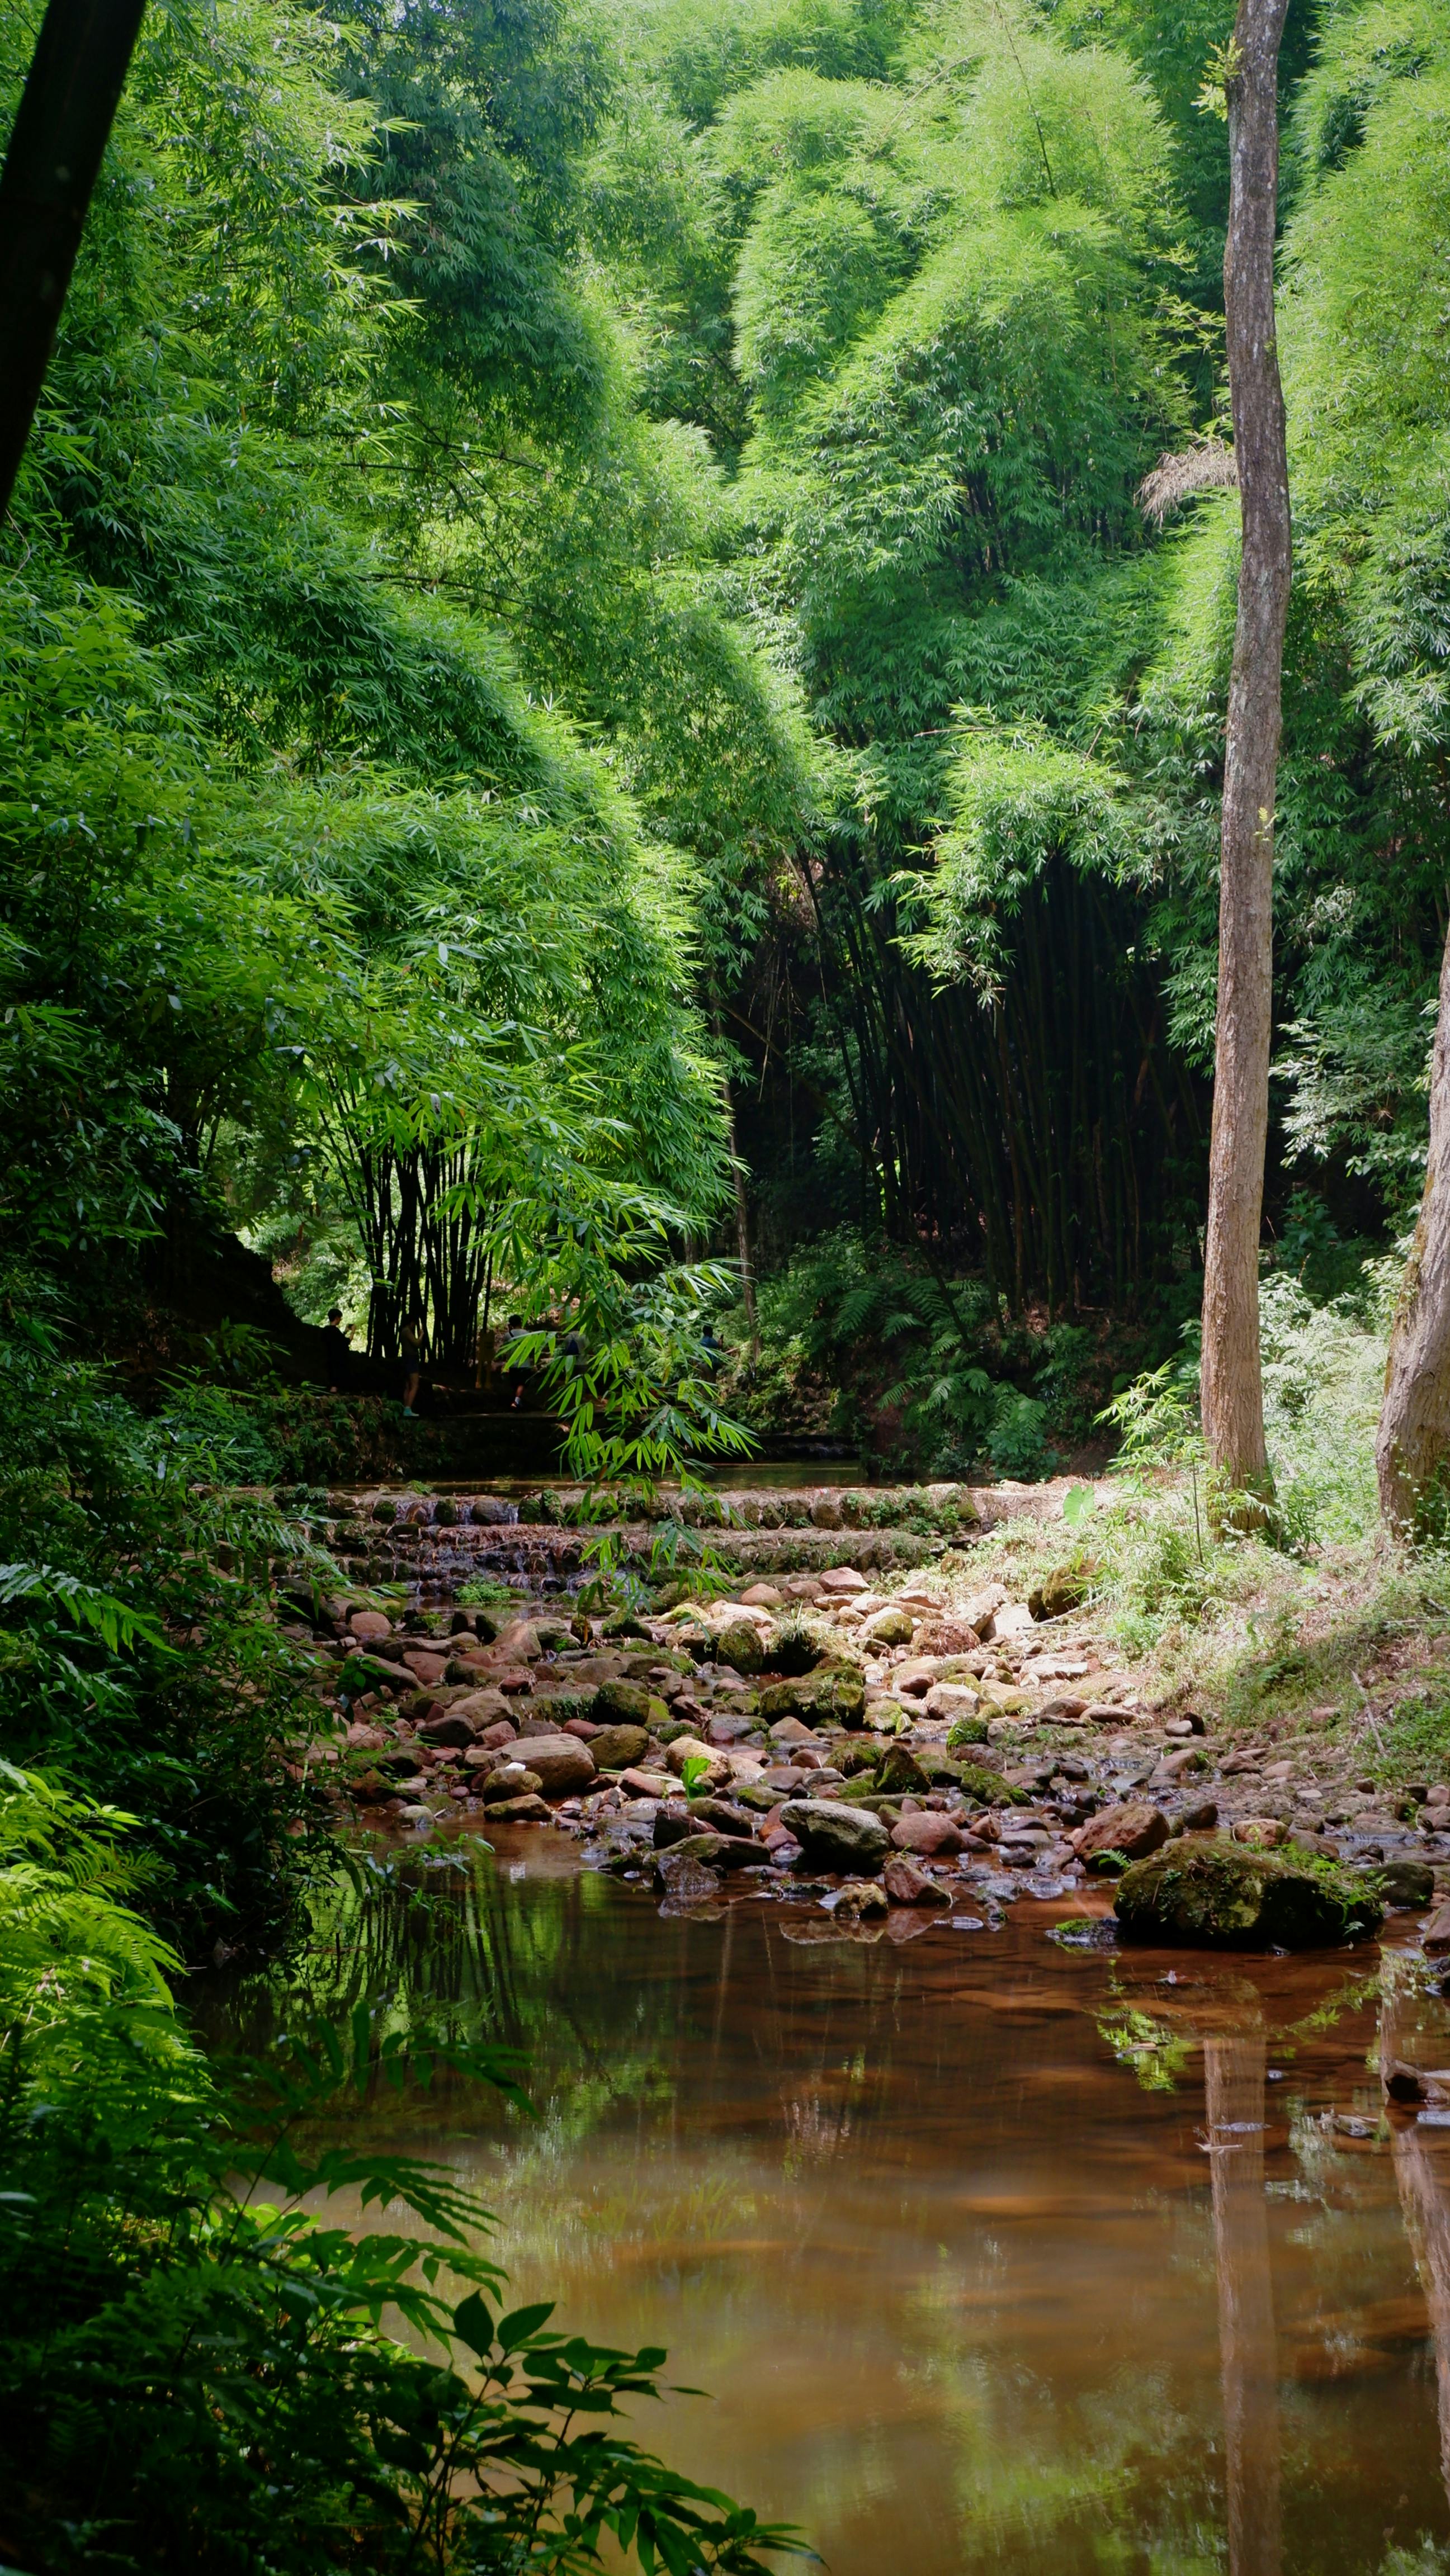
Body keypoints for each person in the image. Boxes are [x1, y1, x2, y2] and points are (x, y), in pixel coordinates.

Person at [320, 1307, 351, 1391]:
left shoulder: (326, 1330)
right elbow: (346, 1342)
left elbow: (337, 1339)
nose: (340, 1320)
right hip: (336, 1359)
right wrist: (353, 1331)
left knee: (331, 1379)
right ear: (337, 1318)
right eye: (340, 1318)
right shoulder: (336, 1331)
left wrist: (345, 1332)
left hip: (327, 1357)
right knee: (335, 1382)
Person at [400, 1317, 424, 1417]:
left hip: (405, 1359)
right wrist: (421, 1335)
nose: (414, 1325)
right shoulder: (407, 1331)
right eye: (414, 1323)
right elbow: (417, 1343)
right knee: (415, 1385)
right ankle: (408, 1409)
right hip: (411, 1360)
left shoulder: (402, 1331)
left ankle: (406, 1408)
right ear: (410, 1323)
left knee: (408, 1385)